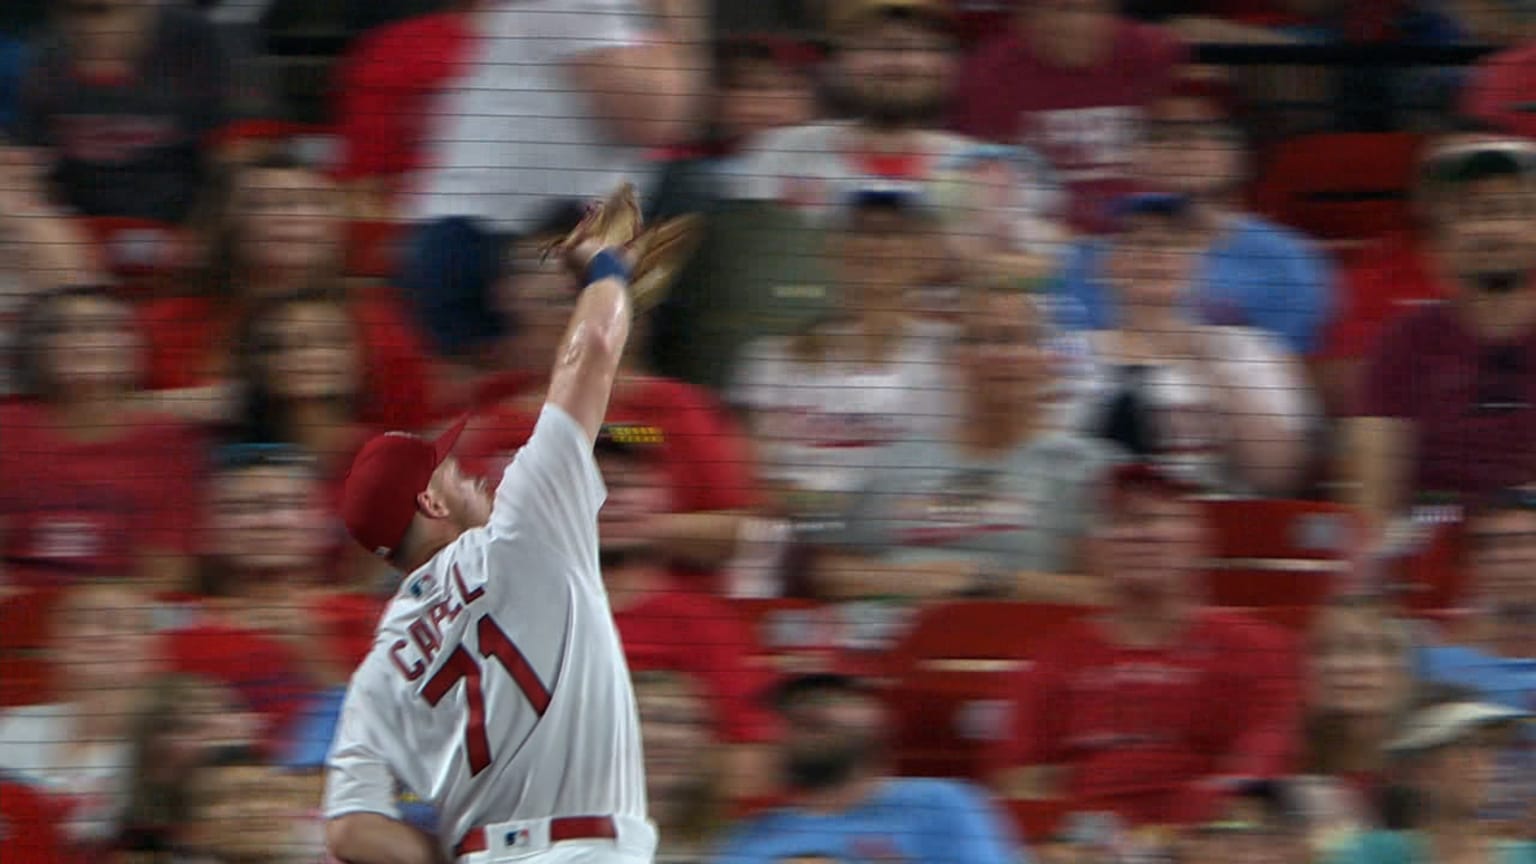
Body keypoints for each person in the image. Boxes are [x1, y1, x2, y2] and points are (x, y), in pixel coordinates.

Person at [322, 185, 669, 864]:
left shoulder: (382, 660)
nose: (471, 473)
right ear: (429, 504)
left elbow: (350, 828)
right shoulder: (522, 530)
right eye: (449, 469)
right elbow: (595, 346)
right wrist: (604, 268)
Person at [990, 463, 1302, 827]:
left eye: (1156, 518)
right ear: (1096, 549)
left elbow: (1255, 780)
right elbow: (1021, 781)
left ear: (1199, 540)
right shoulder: (1054, 658)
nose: (1139, 534)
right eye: (1121, 521)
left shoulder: (1258, 649)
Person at [821, 282, 1117, 603]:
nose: (1006, 355)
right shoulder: (900, 459)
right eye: (985, 340)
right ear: (956, 360)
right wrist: (907, 580)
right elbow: (829, 573)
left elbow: (1112, 594)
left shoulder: (1084, 468)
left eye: (1022, 340)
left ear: (1048, 360)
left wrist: (991, 582)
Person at [1062, 77, 1334, 358]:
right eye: (1162, 135)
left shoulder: (1285, 259)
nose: (1184, 147)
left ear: (1241, 154)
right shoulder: (1086, 261)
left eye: (1208, 133)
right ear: (1134, 156)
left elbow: (1285, 376)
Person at [1072, 193, 1317, 496]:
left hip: (1218, 525)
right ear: (1103, 263)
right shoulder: (1067, 353)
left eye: (1174, 243)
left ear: (1200, 263)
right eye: (1135, 241)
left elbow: (1278, 476)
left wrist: (1207, 365)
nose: (1155, 255)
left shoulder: (1251, 349)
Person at [1351, 138, 1536, 525]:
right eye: (1469, 213)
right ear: (1436, 246)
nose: (1491, 229)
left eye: (1507, 211)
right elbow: (1372, 507)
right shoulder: (1403, 344)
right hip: (1436, 561)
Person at [1, 284, 205, 592]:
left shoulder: (166, 442)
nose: (88, 340)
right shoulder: (8, 428)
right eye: (64, 330)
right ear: (34, 351)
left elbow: (166, 575)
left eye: (108, 328)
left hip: (121, 619)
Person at [713, 666, 1022, 864]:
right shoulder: (752, 836)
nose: (805, 711)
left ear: (878, 716)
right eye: (788, 709)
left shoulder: (944, 804)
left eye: (826, 699)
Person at [950, 0, 1185, 235]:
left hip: (1149, 232)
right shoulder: (988, 73)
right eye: (1062, 9)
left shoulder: (1152, 52)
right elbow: (978, 189)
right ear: (1025, 16)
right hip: (1043, 244)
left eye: (1095, 10)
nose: (1079, 24)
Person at [0, 582, 155, 854]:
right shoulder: (18, 726)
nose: (97, 635)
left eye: (117, 624)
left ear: (150, 650)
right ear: (57, 644)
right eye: (81, 622)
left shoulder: (159, 744)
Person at [1329, 697, 1535, 864]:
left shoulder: (1524, 857)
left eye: (1490, 746)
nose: (1484, 762)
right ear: (1423, 770)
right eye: (1466, 746)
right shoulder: (1374, 854)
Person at [1295, 600, 1413, 858]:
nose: (1339, 666)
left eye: (1358, 648)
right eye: (1324, 651)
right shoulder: (1286, 768)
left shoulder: (1430, 771)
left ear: (1400, 671)